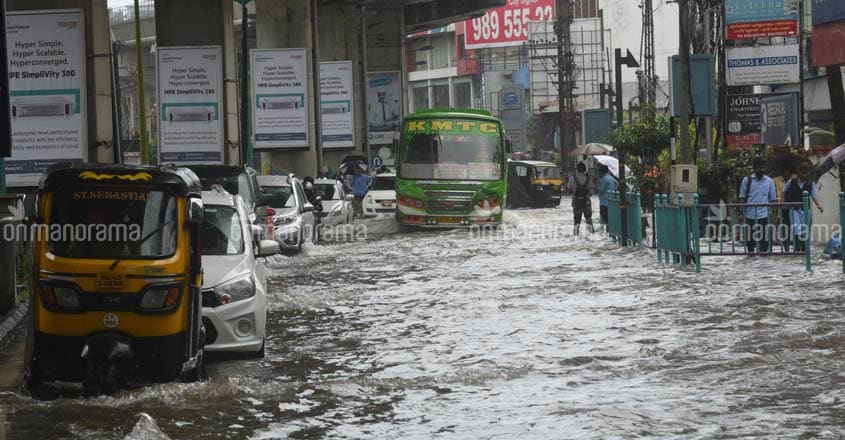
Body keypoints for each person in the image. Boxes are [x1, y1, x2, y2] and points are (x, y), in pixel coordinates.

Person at [738, 157, 778, 254]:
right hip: (749, 214)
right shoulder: (746, 180)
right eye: (758, 168)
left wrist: (774, 215)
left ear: (765, 168)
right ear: (754, 168)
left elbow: (773, 199)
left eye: (762, 168)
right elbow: (742, 197)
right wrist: (740, 213)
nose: (760, 170)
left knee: (764, 240)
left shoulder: (770, 181)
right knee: (749, 241)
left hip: (764, 214)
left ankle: (763, 262)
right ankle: (751, 259)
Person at [783, 161, 824, 252]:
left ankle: (804, 249)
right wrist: (784, 203)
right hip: (794, 209)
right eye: (802, 173)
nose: (804, 175)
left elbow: (814, 195)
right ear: (798, 172)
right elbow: (784, 191)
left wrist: (819, 205)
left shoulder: (810, 183)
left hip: (806, 209)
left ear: (809, 173)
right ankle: (797, 249)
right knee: (796, 228)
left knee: (805, 229)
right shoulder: (792, 181)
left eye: (806, 173)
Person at [771, 163, 794, 250]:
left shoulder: (794, 179)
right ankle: (786, 245)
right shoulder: (775, 180)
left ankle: (797, 246)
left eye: (789, 171)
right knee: (784, 226)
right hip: (780, 206)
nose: (787, 173)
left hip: (792, 206)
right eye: (785, 171)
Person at [567, 162, 594, 235]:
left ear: (577, 169)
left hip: (576, 202)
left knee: (576, 221)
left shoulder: (572, 178)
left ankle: (576, 235)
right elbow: (591, 192)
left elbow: (569, 190)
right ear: (585, 169)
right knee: (589, 219)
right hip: (587, 203)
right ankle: (592, 234)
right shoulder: (589, 178)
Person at [596, 164, 617, 230]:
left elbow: (601, 190)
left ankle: (608, 229)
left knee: (605, 217)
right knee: (610, 218)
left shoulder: (604, 179)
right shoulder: (612, 178)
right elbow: (617, 185)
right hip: (612, 201)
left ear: (601, 172)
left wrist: (597, 184)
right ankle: (610, 230)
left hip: (604, 202)